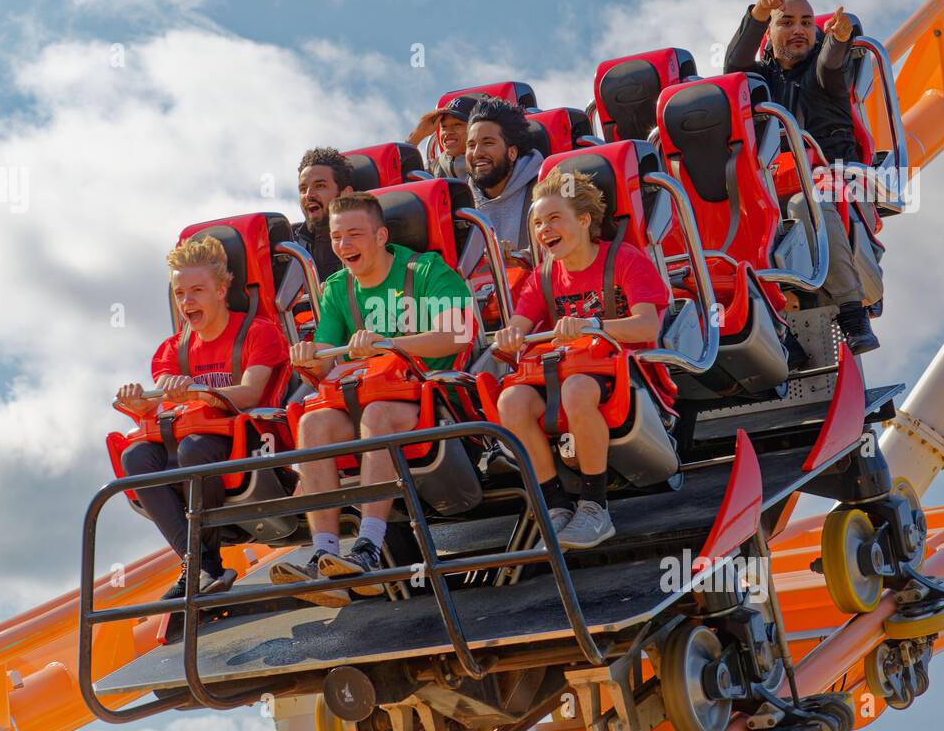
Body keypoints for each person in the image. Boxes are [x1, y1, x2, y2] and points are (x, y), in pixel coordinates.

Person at [271, 192, 475, 607]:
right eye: (337, 237)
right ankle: (325, 551)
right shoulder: (335, 289)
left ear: (381, 236)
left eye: (354, 235)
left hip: (428, 398)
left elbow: (458, 334)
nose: (344, 246)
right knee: (312, 423)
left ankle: (368, 548)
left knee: (378, 415)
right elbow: (328, 363)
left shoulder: (427, 271)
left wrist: (389, 344)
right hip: (363, 396)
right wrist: (310, 361)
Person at [116, 237, 289, 628]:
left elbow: (251, 393)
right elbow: (163, 403)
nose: (187, 302)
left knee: (195, 449)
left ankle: (202, 566)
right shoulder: (171, 350)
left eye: (197, 291)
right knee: (135, 457)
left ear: (222, 290)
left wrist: (202, 392)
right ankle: (200, 565)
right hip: (189, 438)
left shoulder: (258, 333)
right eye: (180, 293)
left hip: (245, 440)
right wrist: (141, 403)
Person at [493, 170, 670, 550]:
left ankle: (594, 508)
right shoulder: (542, 276)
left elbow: (647, 325)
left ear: (585, 220)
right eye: (538, 223)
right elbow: (519, 325)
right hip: (568, 369)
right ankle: (557, 507)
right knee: (511, 401)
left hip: (624, 370)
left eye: (555, 219)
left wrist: (593, 324)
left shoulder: (625, 260)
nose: (544, 230)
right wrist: (510, 335)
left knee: (576, 390)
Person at [725, 0, 879, 354]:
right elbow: (734, 67)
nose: (798, 30)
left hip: (830, 179)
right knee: (740, 222)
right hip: (772, 183)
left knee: (801, 206)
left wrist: (839, 39)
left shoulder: (824, 73)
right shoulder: (761, 79)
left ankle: (851, 311)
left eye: (807, 23)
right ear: (770, 32)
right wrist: (758, 13)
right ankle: (776, 330)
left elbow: (832, 61)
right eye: (787, 22)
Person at [465, 98, 544, 255]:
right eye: (471, 145)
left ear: (512, 152)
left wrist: (521, 259)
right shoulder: (462, 202)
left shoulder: (544, 192)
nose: (477, 153)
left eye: (488, 143)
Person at [293, 147, 354, 281]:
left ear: (346, 194)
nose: (308, 195)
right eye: (303, 189)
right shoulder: (288, 247)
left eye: (319, 186)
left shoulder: (367, 244)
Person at [407, 95, 477, 180]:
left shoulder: (487, 165)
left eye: (457, 125)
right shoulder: (435, 167)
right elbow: (401, 181)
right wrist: (417, 135)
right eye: (443, 126)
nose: (448, 132)